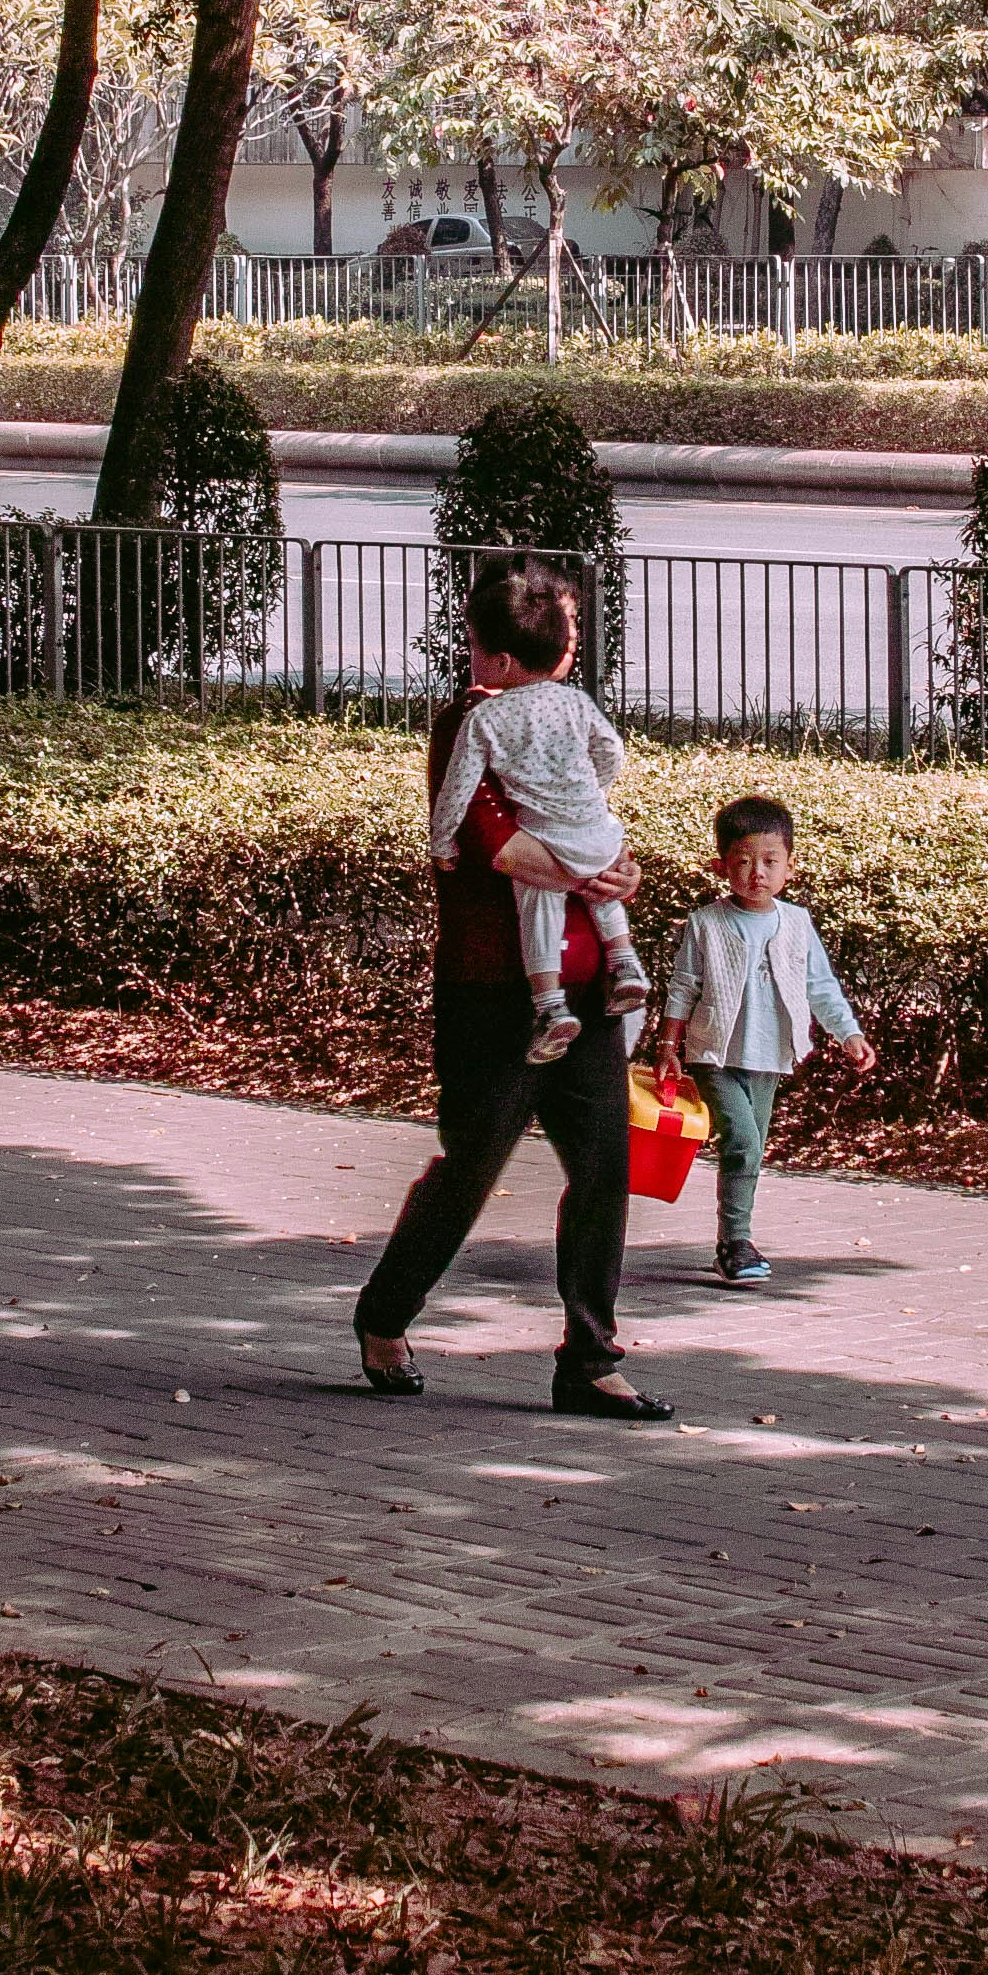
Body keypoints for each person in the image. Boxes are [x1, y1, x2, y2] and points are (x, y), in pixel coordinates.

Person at [353, 558, 670, 1420]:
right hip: (496, 990)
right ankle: (384, 1315)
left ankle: (591, 1359)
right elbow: (491, 841)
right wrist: (593, 873)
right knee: (473, 1168)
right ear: (488, 653)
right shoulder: (469, 723)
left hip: (590, 989)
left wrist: (617, 865)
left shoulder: (564, 719)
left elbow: (595, 806)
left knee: (605, 1168)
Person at [419, 578, 650, 1057]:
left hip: (551, 848)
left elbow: (456, 796)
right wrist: (593, 795)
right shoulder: (577, 703)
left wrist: (441, 845)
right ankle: (626, 962)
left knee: (538, 896)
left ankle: (549, 1004)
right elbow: (611, 751)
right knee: (591, 872)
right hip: (594, 828)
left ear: (501, 660)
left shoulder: (484, 720)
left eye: (472, 643)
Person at [647, 793, 871, 1286]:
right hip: (714, 1053)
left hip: (771, 1053)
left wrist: (848, 1032)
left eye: (770, 861)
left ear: (790, 865)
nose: (757, 874)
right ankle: (736, 1242)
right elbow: (684, 986)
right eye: (743, 862)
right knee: (743, 1143)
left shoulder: (796, 922)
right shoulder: (707, 923)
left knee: (750, 1148)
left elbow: (819, 984)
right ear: (721, 865)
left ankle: (732, 1241)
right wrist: (668, 1047)